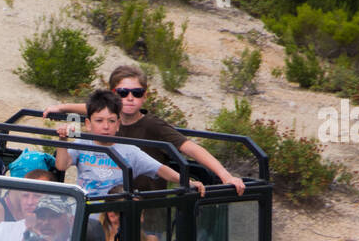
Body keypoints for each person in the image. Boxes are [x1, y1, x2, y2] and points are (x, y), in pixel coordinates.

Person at [45, 64, 245, 194]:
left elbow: (189, 148)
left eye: (137, 93)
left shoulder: (152, 125)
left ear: (145, 96)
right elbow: (93, 110)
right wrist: (62, 107)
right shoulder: (106, 119)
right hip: (111, 201)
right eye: (123, 93)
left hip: (147, 200)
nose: (130, 98)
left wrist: (225, 175)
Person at [56, 90, 205, 198]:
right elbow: (62, 165)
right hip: (85, 211)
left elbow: (160, 169)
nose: (106, 126)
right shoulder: (83, 143)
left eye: (111, 121)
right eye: (99, 121)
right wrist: (63, 140)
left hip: (113, 215)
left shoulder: (129, 151)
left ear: (118, 124)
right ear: (88, 124)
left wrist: (189, 182)